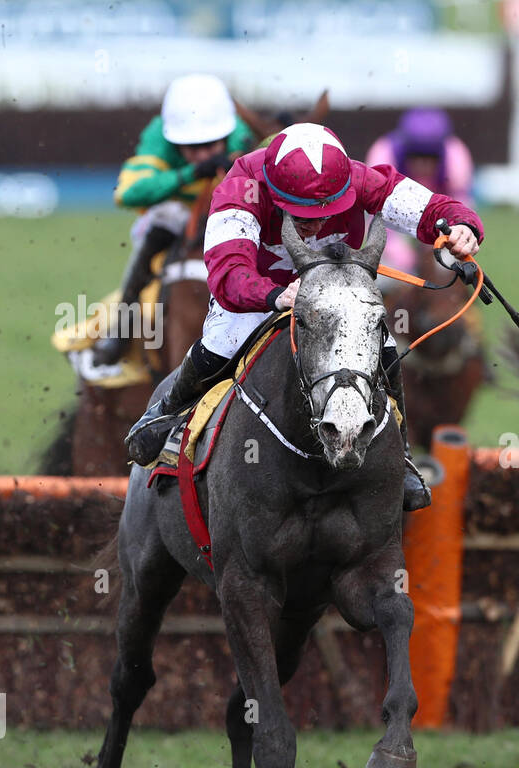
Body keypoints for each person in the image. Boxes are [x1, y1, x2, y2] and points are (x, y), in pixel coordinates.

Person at [123, 122, 484, 510]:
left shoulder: (359, 176)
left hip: (333, 292)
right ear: (273, 192)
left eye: (327, 211)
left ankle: (403, 454)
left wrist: (463, 226)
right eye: (302, 214)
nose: (315, 222)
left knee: (384, 345)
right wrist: (276, 294)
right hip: (259, 295)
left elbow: (432, 208)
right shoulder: (239, 188)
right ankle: (165, 413)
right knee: (221, 341)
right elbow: (228, 276)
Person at [97, 74, 256, 364]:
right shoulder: (158, 137)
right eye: (192, 148)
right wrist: (191, 174)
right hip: (178, 217)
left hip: (226, 212)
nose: (202, 154)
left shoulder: (240, 133)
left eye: (210, 145)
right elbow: (126, 193)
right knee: (163, 219)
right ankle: (119, 329)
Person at [365, 107, 475, 274]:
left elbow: (461, 208)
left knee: (448, 268)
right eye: (415, 156)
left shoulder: (456, 157)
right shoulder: (383, 154)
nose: (423, 164)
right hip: (393, 213)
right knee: (388, 273)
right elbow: (376, 214)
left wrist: (445, 242)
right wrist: (396, 249)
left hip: (438, 216)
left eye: (431, 158)